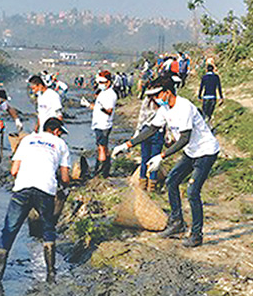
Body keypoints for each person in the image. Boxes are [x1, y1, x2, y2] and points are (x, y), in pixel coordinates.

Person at [112, 75, 220, 247]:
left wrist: (161, 157)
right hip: (191, 152)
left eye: (157, 95)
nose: (154, 99)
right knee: (171, 181)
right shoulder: (164, 110)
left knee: (192, 192)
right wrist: (127, 145)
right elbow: (151, 129)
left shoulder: (184, 107)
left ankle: (196, 235)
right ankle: (177, 222)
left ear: (167, 93)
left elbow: (184, 138)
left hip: (206, 152)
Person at [0, 117, 71, 284]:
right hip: (45, 189)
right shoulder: (61, 144)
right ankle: (50, 274)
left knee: (9, 231)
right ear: (56, 131)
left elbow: (13, 170)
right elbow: (65, 178)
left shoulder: (27, 140)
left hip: (22, 188)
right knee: (48, 228)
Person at [80, 70, 117, 177]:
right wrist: (88, 104)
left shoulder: (110, 94)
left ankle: (100, 172)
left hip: (103, 124)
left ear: (108, 82)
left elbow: (108, 111)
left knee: (101, 147)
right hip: (99, 124)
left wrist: (99, 107)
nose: (100, 84)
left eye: (102, 82)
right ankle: (104, 169)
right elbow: (97, 108)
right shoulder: (103, 93)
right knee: (102, 147)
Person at [133, 82, 164, 191]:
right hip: (158, 132)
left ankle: (142, 182)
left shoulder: (146, 101)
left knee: (144, 158)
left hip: (145, 131)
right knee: (155, 159)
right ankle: (152, 185)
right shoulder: (162, 103)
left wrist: (137, 132)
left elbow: (141, 118)